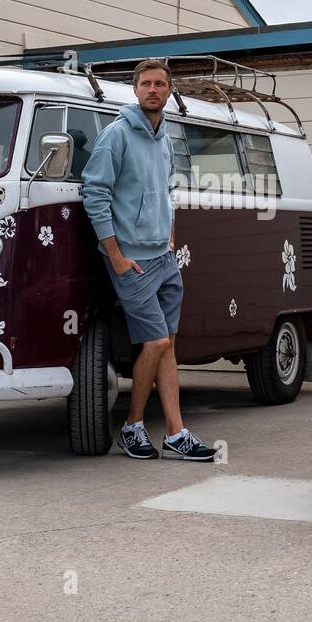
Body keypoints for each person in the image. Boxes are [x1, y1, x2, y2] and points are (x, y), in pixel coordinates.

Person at [80, 59, 217, 462]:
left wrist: (170, 237)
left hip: (163, 258)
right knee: (155, 341)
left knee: (167, 345)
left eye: (160, 84)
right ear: (135, 90)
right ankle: (132, 426)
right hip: (132, 262)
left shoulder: (165, 139)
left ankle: (176, 433)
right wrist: (116, 256)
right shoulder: (116, 135)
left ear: (169, 91)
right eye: (145, 84)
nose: (153, 90)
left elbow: (166, 192)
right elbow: (95, 194)